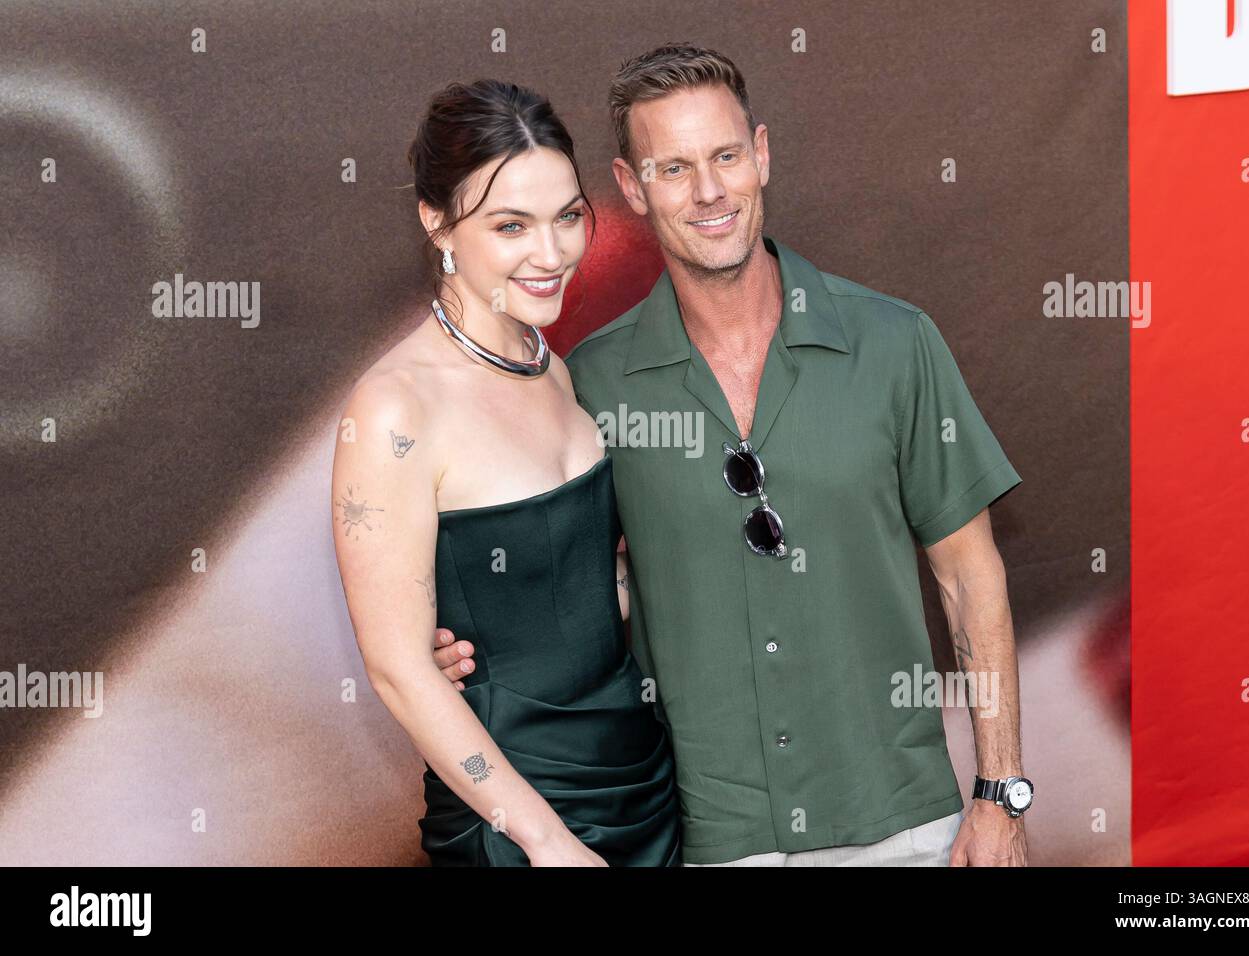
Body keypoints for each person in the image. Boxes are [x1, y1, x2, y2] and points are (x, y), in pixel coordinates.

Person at [432, 45, 1033, 866]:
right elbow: (573, 582)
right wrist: (476, 642)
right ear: (632, 188)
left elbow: (972, 579)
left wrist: (1001, 792)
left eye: (724, 156)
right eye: (673, 168)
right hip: (711, 838)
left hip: (908, 827)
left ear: (761, 153)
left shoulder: (896, 344)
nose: (709, 191)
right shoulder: (591, 383)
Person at [330, 79, 681, 866]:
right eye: (511, 225)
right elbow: (397, 668)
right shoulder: (395, 407)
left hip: (639, 779)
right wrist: (547, 842)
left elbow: (578, 584)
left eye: (566, 218)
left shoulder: (550, 366)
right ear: (437, 223)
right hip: (519, 818)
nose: (551, 254)